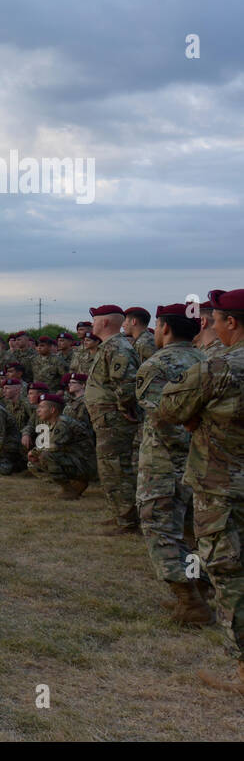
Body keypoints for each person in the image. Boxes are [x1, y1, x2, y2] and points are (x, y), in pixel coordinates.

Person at [156, 289, 244, 694]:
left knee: (229, 575)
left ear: (232, 323)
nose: (212, 325)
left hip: (222, 487)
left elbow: (168, 409)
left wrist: (196, 418)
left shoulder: (219, 367)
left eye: (217, 319)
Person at [135, 303, 210, 625]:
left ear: (164, 328)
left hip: (165, 465)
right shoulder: (206, 360)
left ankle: (189, 599)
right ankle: (199, 585)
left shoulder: (156, 365)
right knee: (190, 533)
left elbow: (164, 418)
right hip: (204, 462)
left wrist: (179, 461)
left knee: (160, 528)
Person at [84, 305, 141, 534]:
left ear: (105, 322)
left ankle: (127, 520)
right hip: (106, 418)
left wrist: (125, 407)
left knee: (116, 468)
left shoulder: (118, 347)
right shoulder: (109, 346)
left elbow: (126, 384)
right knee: (111, 467)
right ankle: (121, 514)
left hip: (113, 419)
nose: (92, 325)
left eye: (95, 320)